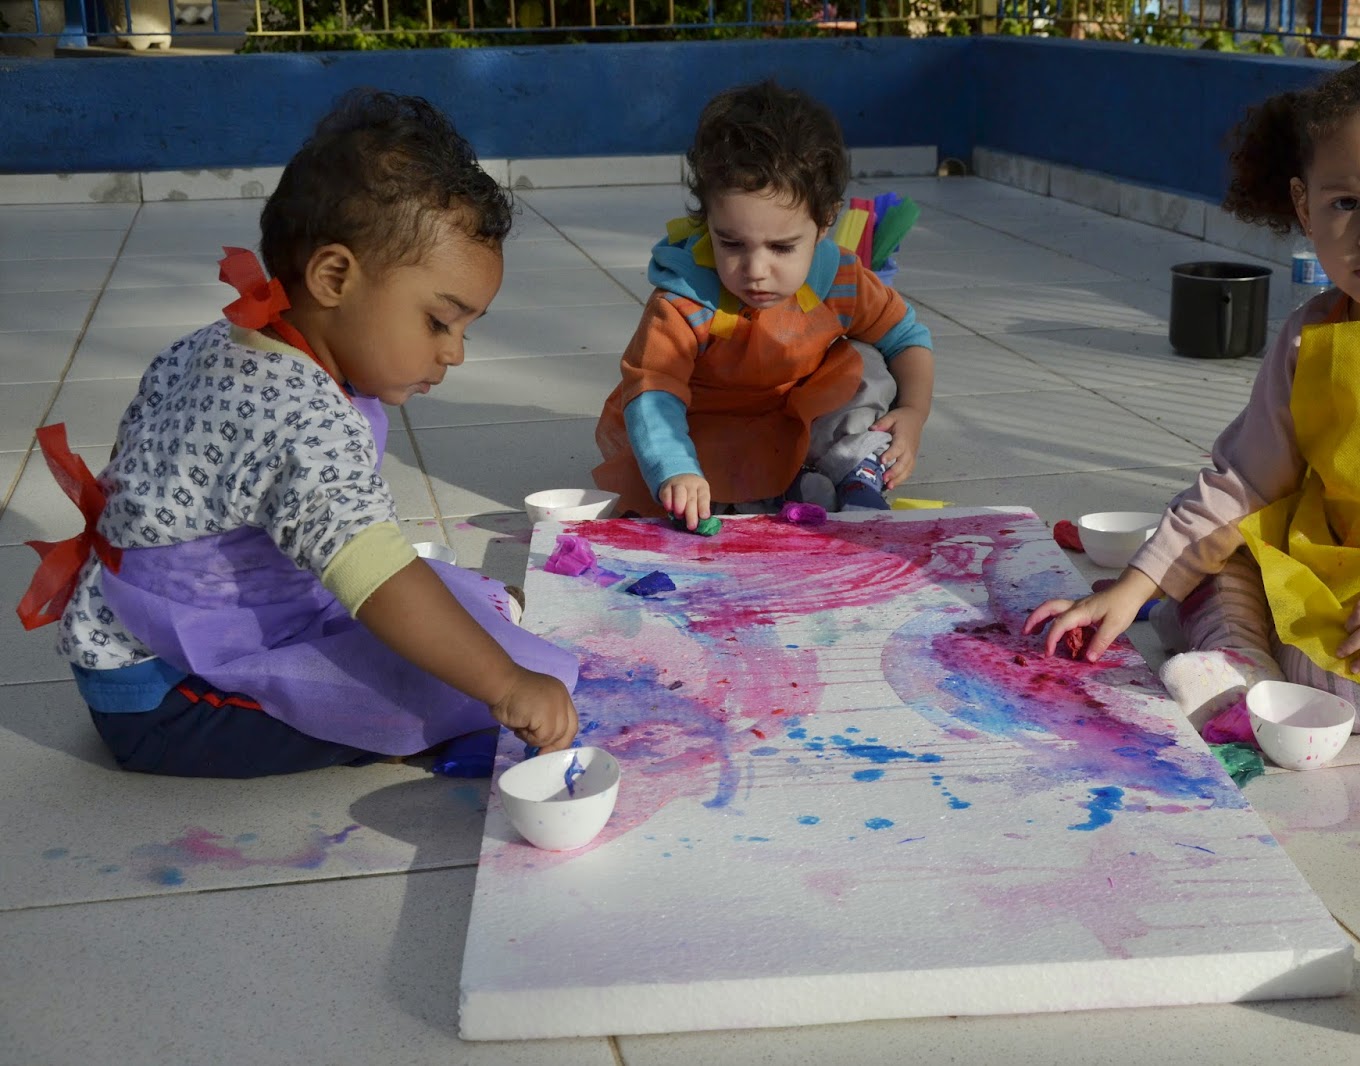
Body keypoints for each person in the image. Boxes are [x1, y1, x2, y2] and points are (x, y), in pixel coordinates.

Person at [16, 89, 581, 776]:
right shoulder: (301, 420)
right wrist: (505, 686)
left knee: (434, 604)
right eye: (439, 321)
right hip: (171, 694)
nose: (455, 352)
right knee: (439, 680)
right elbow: (375, 579)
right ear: (334, 276)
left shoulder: (221, 342)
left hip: (193, 617)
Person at [1027, 54, 1360, 734]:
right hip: (1347, 566)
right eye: (1346, 202)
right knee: (1201, 562)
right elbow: (1244, 482)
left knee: (1355, 690)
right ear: (1304, 207)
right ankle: (1243, 666)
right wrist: (1132, 588)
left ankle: (1246, 661)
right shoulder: (1307, 333)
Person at [592, 80, 936, 527]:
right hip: (711, 428)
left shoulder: (841, 279)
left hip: (800, 415)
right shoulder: (683, 300)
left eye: (782, 247)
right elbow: (653, 392)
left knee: (868, 362)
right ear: (707, 221)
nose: (755, 269)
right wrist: (675, 469)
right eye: (730, 242)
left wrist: (913, 413)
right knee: (698, 490)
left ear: (826, 221)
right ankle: (755, 489)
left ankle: (849, 466)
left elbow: (908, 339)